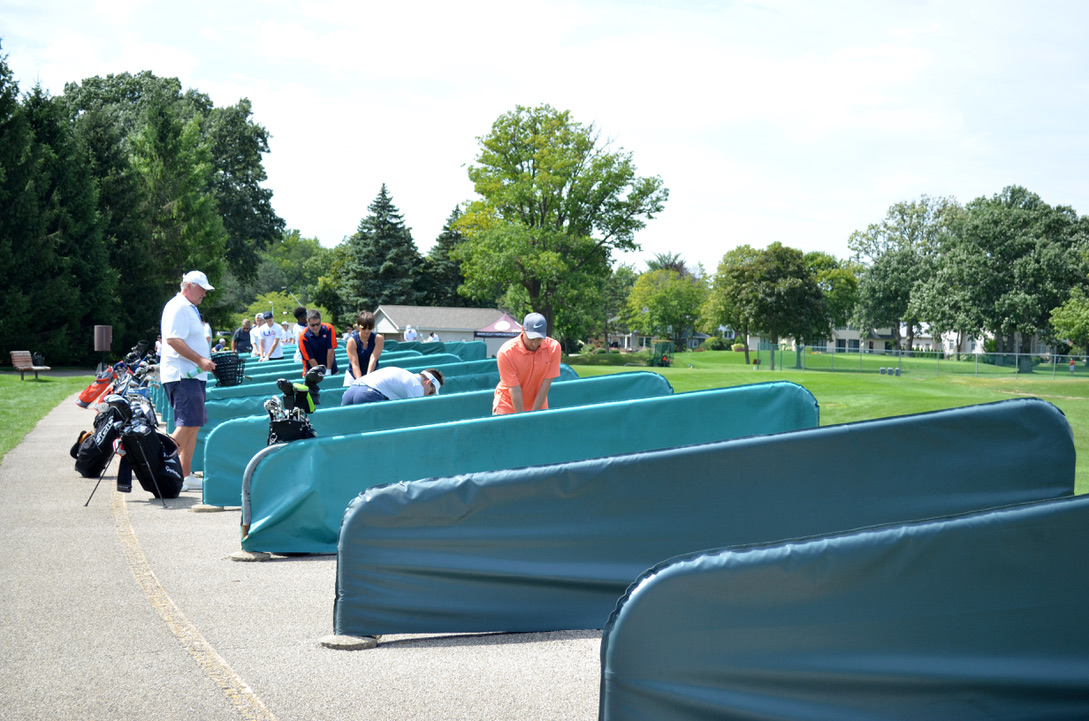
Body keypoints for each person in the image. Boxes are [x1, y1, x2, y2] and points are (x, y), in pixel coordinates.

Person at [160, 270, 217, 491]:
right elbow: (173, 340)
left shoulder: (187, 307)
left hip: (191, 375)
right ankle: (161, 463)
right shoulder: (179, 307)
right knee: (187, 424)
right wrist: (201, 359)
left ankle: (184, 474)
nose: (204, 293)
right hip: (183, 375)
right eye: (202, 288)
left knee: (192, 424)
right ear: (189, 285)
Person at [493, 312, 561, 415]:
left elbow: (545, 385)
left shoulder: (554, 348)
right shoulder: (506, 353)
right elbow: (515, 390)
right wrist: (523, 420)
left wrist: (533, 415)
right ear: (523, 330)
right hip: (507, 406)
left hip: (538, 405)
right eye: (531, 338)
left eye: (539, 339)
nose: (534, 344)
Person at [341, 366, 444, 406]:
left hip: (350, 392)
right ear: (428, 382)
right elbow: (413, 416)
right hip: (368, 395)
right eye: (430, 393)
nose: (427, 396)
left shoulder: (405, 374)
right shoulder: (416, 387)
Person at [344, 310, 384, 386]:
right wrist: (360, 382)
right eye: (364, 328)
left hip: (372, 375)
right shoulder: (352, 341)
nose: (366, 331)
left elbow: (373, 359)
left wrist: (367, 380)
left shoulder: (378, 339)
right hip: (353, 376)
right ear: (358, 326)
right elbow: (355, 364)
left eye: (369, 328)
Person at [299, 309, 338, 376]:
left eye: (318, 324)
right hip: (311, 369)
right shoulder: (303, 336)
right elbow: (310, 358)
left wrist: (328, 370)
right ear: (307, 321)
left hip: (331, 367)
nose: (316, 327)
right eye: (312, 325)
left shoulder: (329, 328)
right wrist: (321, 373)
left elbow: (330, 350)